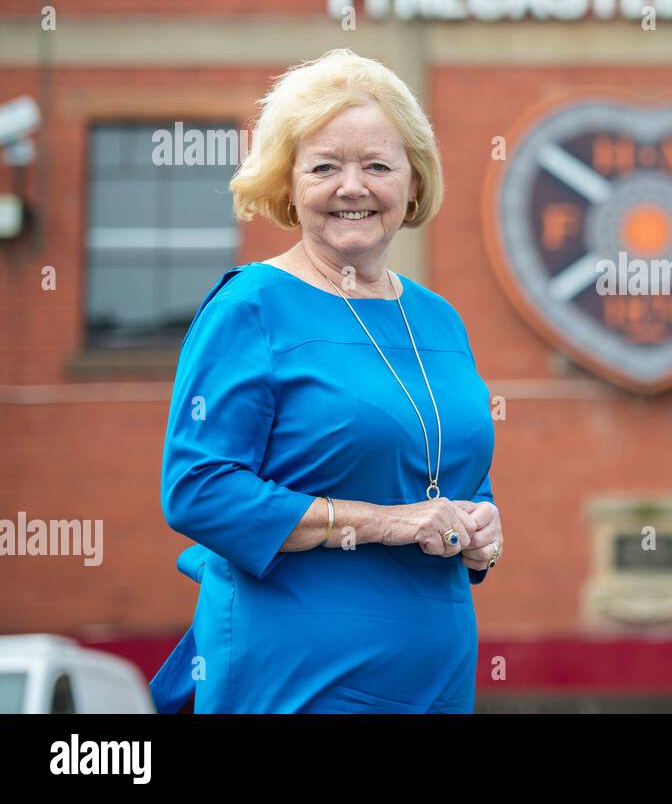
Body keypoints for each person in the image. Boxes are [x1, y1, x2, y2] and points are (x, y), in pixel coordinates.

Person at [149, 48, 502, 713]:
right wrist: (384, 523)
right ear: (287, 185)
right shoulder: (251, 305)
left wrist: (483, 524)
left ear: (413, 182)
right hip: (299, 678)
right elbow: (197, 490)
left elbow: (449, 475)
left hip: (437, 673)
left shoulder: (439, 319)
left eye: (376, 164)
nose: (352, 186)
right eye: (324, 166)